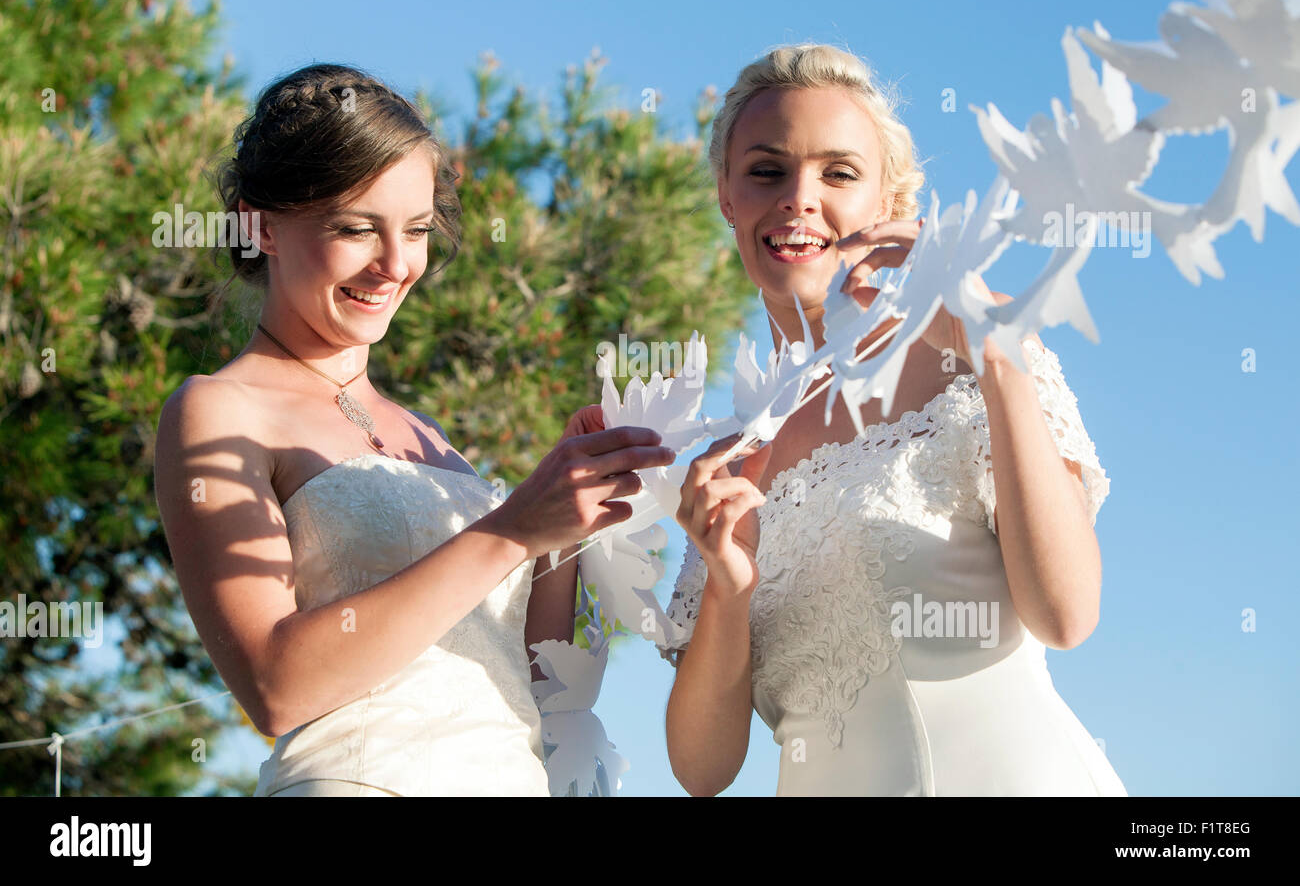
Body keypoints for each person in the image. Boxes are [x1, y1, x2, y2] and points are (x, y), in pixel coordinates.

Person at [152, 63, 673, 796]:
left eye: (418, 230)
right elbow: (275, 685)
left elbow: (527, 671)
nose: (396, 265)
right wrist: (513, 529)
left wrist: (566, 511)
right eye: (356, 228)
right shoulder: (219, 407)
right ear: (258, 224)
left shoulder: (429, 437)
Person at [662, 43, 1127, 796]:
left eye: (838, 172)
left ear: (888, 204)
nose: (799, 197)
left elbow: (1067, 616)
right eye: (766, 170)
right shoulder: (730, 462)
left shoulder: (977, 365)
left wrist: (997, 360)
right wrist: (728, 583)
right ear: (726, 195)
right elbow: (702, 770)